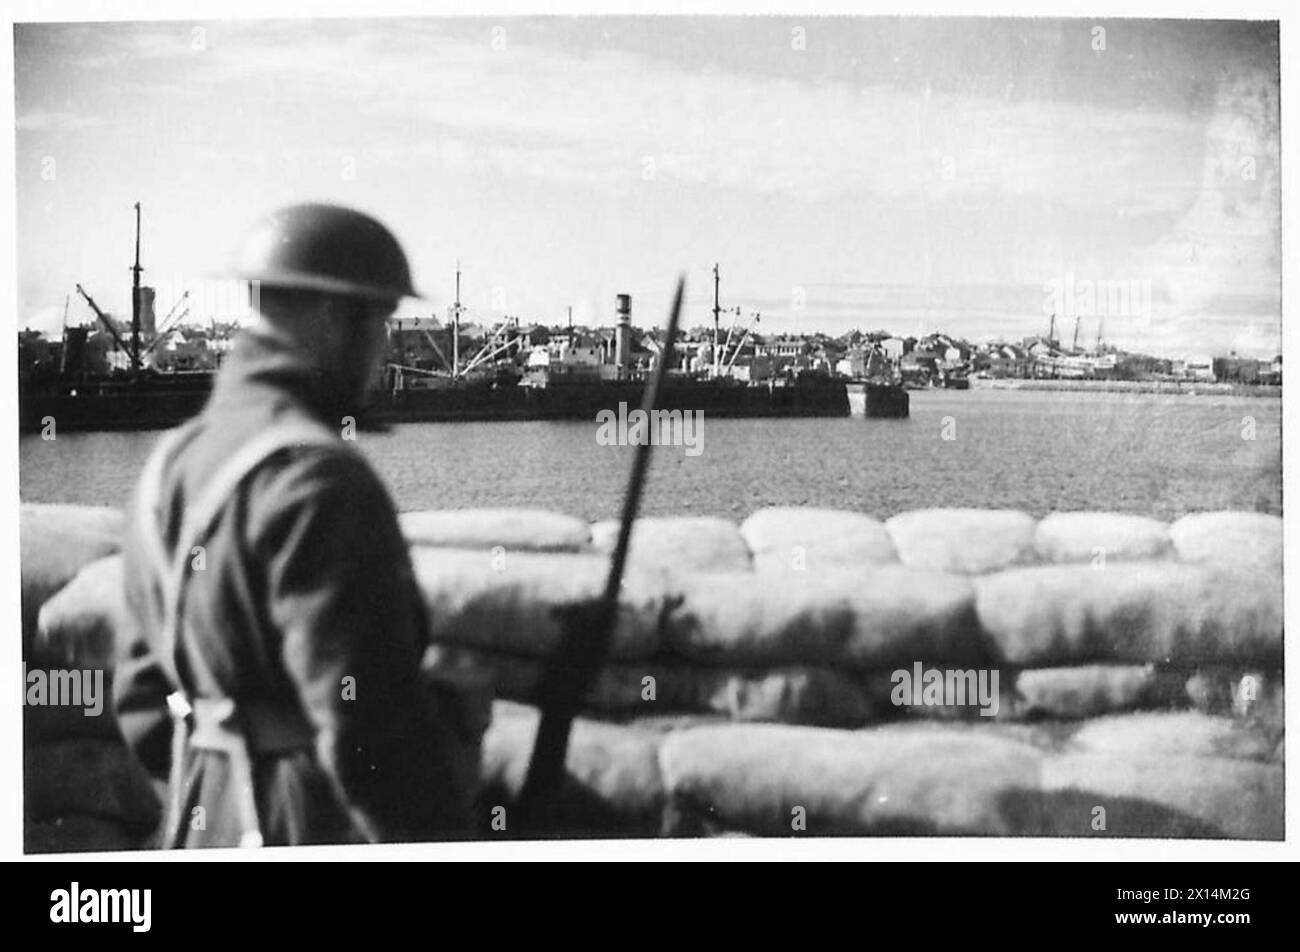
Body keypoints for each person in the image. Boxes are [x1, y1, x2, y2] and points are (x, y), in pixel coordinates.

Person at [114, 203, 480, 848]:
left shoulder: (169, 462)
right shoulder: (318, 482)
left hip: (205, 821)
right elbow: (374, 736)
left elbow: (142, 695)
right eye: (383, 322)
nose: (385, 347)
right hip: (309, 827)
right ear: (340, 319)